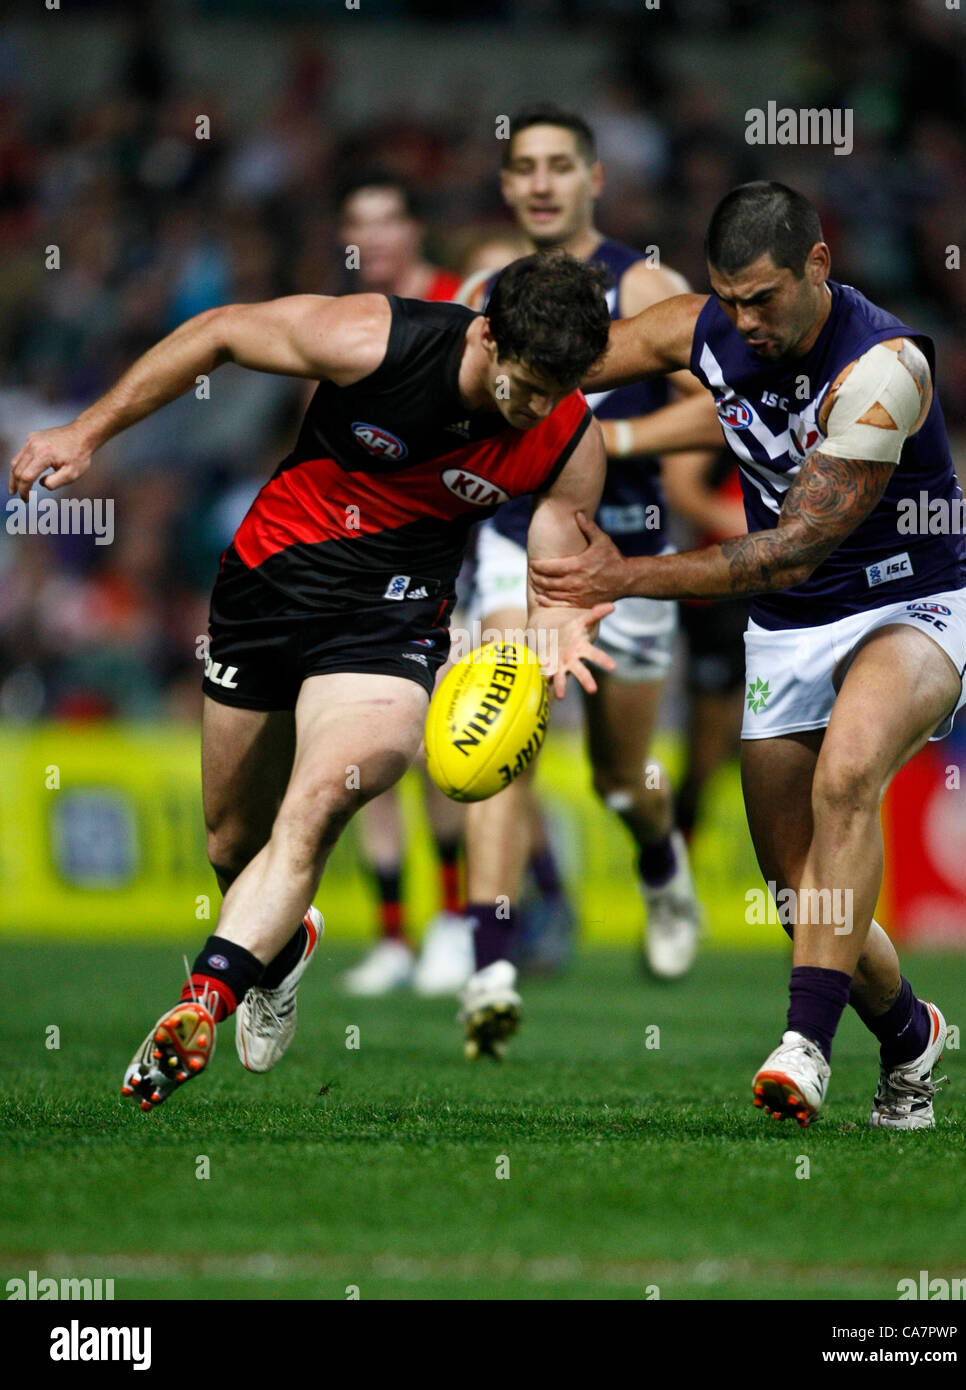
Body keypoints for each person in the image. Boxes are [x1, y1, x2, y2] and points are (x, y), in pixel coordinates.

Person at [9, 252, 617, 1109]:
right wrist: (87, 431)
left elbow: (550, 576)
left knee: (318, 803)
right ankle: (281, 953)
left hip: (393, 627)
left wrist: (545, 644)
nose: (538, 409)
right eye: (525, 386)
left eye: (559, 390)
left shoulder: (566, 442)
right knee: (230, 842)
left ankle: (202, 1003)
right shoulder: (373, 339)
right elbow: (219, 332)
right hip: (265, 588)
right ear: (486, 335)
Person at [530, 181, 966, 1129]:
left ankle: (802, 1047)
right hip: (789, 630)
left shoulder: (884, 366)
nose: (743, 322)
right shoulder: (702, 326)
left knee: (846, 779)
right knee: (802, 895)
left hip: (911, 602)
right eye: (727, 299)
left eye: (762, 299)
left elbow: (787, 548)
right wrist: (478, 376)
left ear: (817, 267)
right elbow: (559, 371)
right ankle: (910, 1040)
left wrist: (621, 578)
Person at [455, 105, 717, 1006]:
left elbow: (727, 402)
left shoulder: (646, 287)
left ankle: (658, 853)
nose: (539, 183)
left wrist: (611, 438)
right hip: (509, 536)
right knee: (503, 737)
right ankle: (489, 964)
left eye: (558, 165)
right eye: (522, 166)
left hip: (624, 552)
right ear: (504, 184)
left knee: (618, 778)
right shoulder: (483, 290)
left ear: (594, 179)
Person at [335, 171, 469, 997]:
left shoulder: (464, 304)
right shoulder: (344, 324)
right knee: (362, 746)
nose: (372, 238)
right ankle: (391, 936)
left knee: (442, 748)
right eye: (358, 222)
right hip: (366, 556)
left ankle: (454, 921)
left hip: (461, 552)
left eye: (386, 220)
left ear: (414, 230)